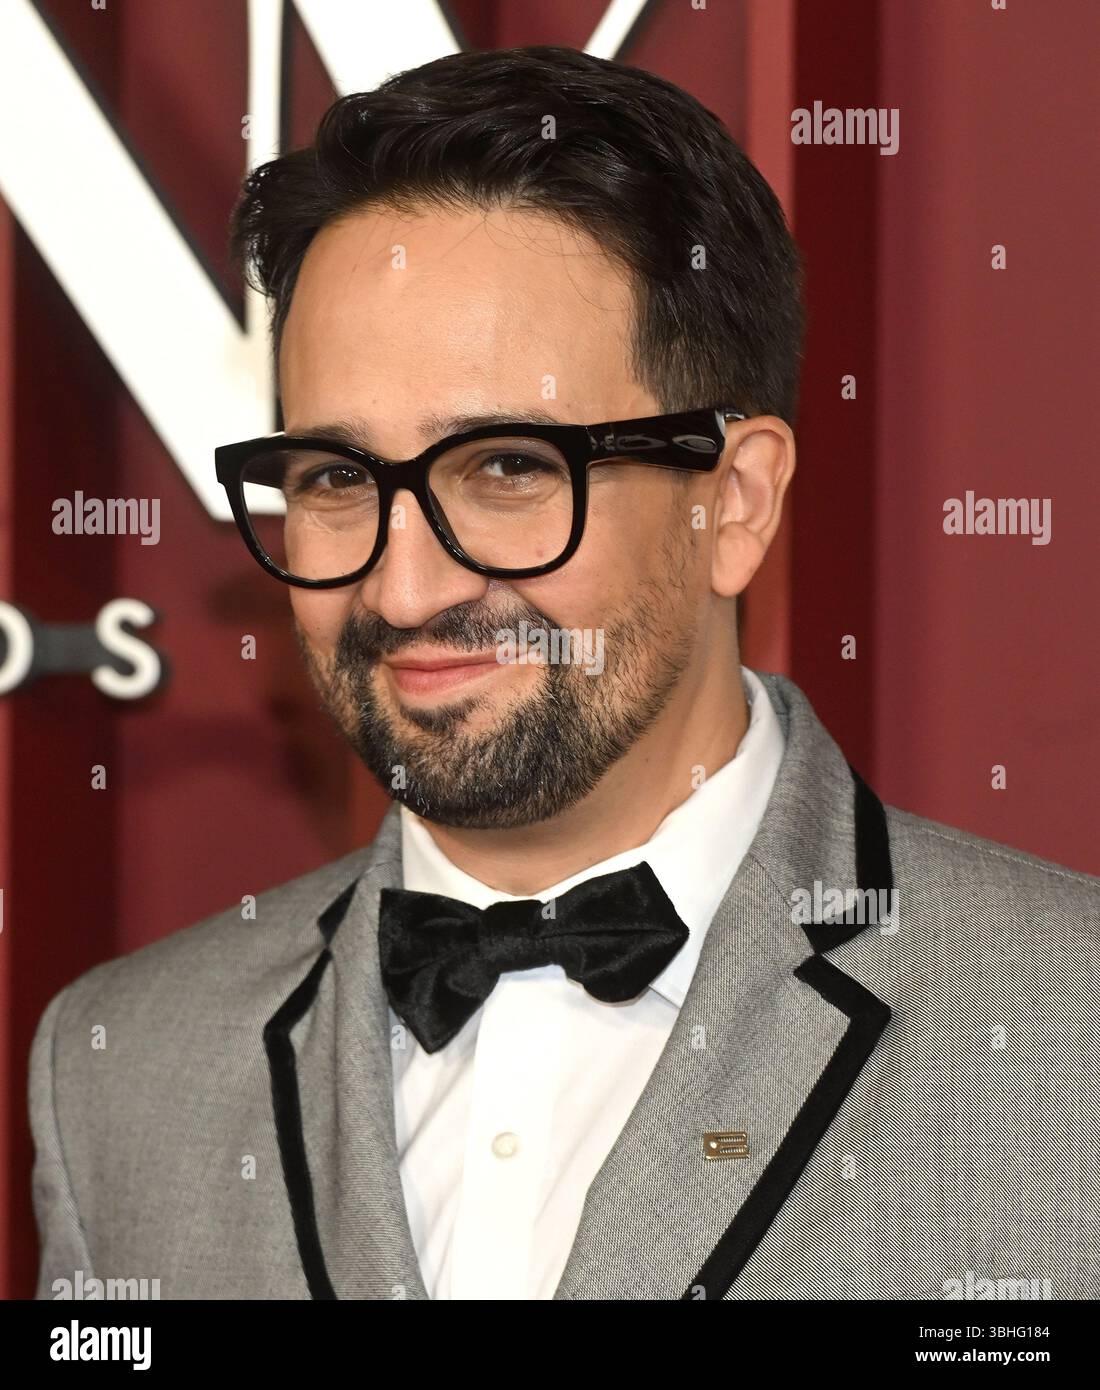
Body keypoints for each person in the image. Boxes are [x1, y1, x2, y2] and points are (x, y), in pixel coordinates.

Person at [29, 45, 1100, 1301]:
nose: (405, 591)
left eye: (507, 469)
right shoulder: (119, 1076)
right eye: (336, 480)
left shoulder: (1064, 1030)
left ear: (733, 502)